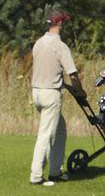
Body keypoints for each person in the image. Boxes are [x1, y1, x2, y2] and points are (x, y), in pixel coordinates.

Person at [28, 11, 78, 186]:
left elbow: (48, 70)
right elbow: (73, 73)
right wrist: (79, 90)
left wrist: (67, 86)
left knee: (60, 130)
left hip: (36, 93)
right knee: (46, 134)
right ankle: (36, 176)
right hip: (51, 94)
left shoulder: (38, 43)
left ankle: (55, 171)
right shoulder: (60, 46)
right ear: (60, 25)